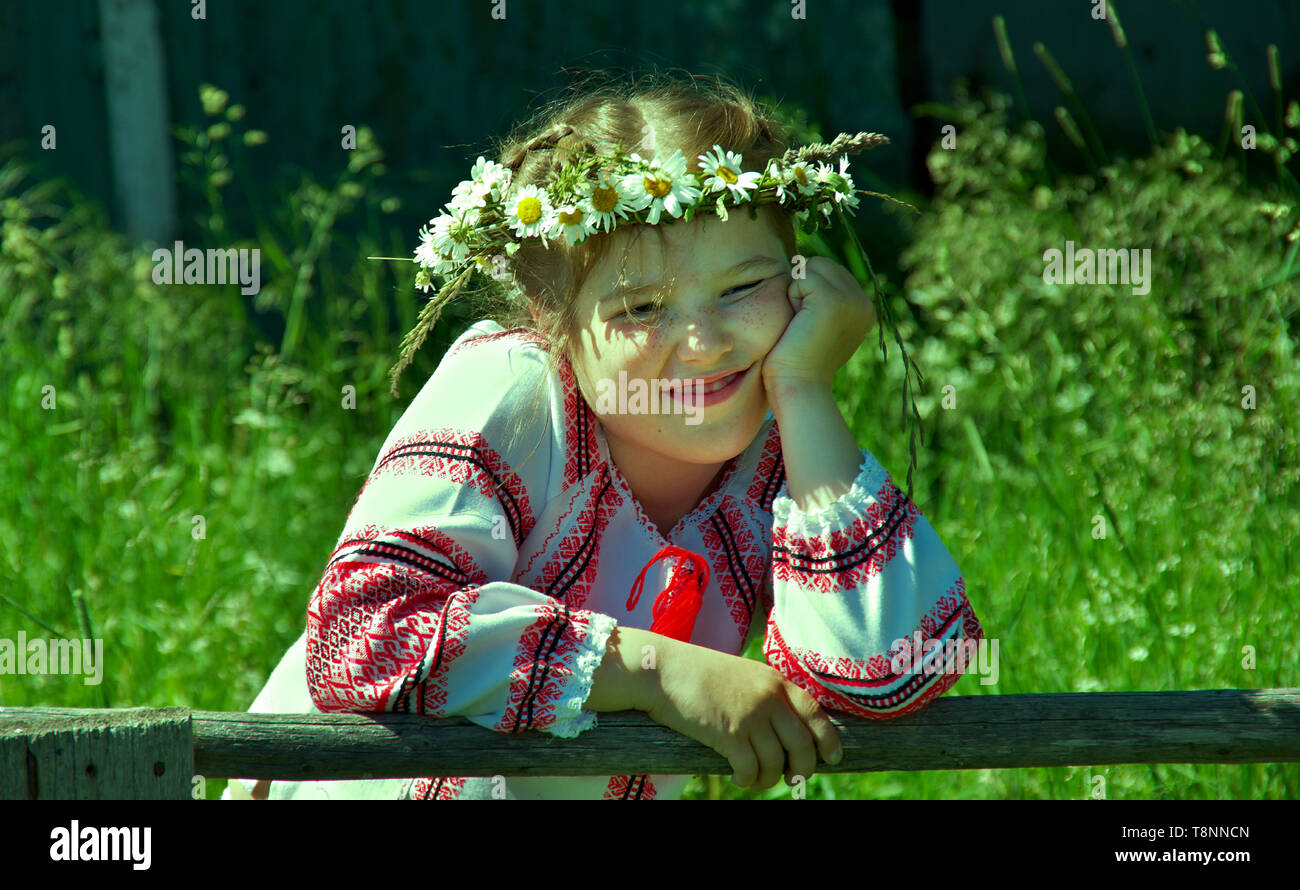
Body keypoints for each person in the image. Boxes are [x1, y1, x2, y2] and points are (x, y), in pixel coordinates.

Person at [223, 72, 983, 801]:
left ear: (798, 277)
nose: (706, 342)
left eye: (744, 287)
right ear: (551, 313)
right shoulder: (518, 394)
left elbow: (884, 677)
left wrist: (806, 392)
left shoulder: (781, 446)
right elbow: (360, 637)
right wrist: (657, 671)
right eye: (643, 308)